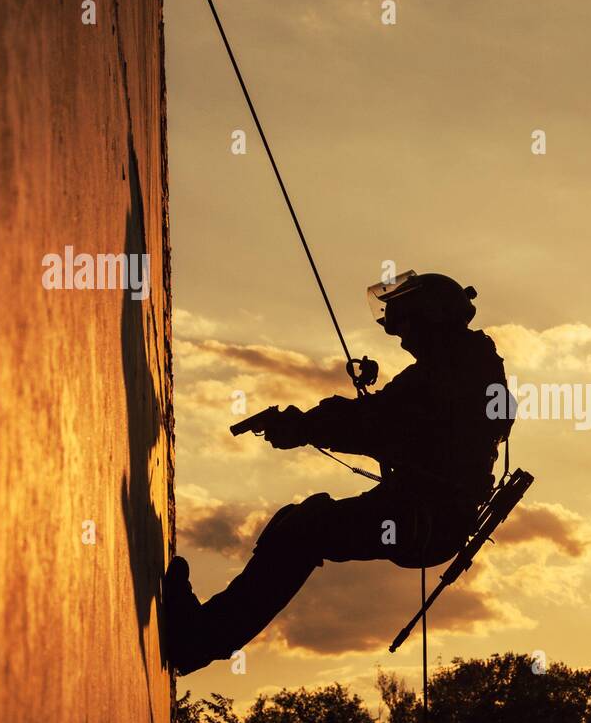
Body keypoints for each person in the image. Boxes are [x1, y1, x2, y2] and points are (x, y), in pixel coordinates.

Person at [163, 272, 512, 675]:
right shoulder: (462, 367)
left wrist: (305, 427)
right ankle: (202, 635)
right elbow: (385, 419)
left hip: (420, 520)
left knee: (305, 530)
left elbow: (379, 423)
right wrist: (312, 424)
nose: (402, 340)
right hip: (421, 515)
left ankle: (199, 639)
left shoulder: (454, 375)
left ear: (431, 320)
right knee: (301, 524)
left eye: (406, 326)